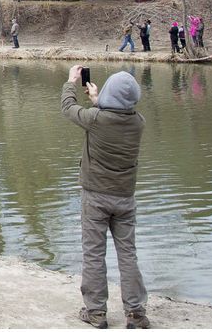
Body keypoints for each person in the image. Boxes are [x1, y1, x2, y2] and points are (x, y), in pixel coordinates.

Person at [62, 65, 149, 330]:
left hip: (95, 197)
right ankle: (135, 313)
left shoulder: (94, 119)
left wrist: (71, 82)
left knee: (93, 254)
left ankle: (97, 313)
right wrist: (100, 101)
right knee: (128, 254)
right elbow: (117, 112)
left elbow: (67, 108)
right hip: (124, 197)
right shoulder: (138, 122)